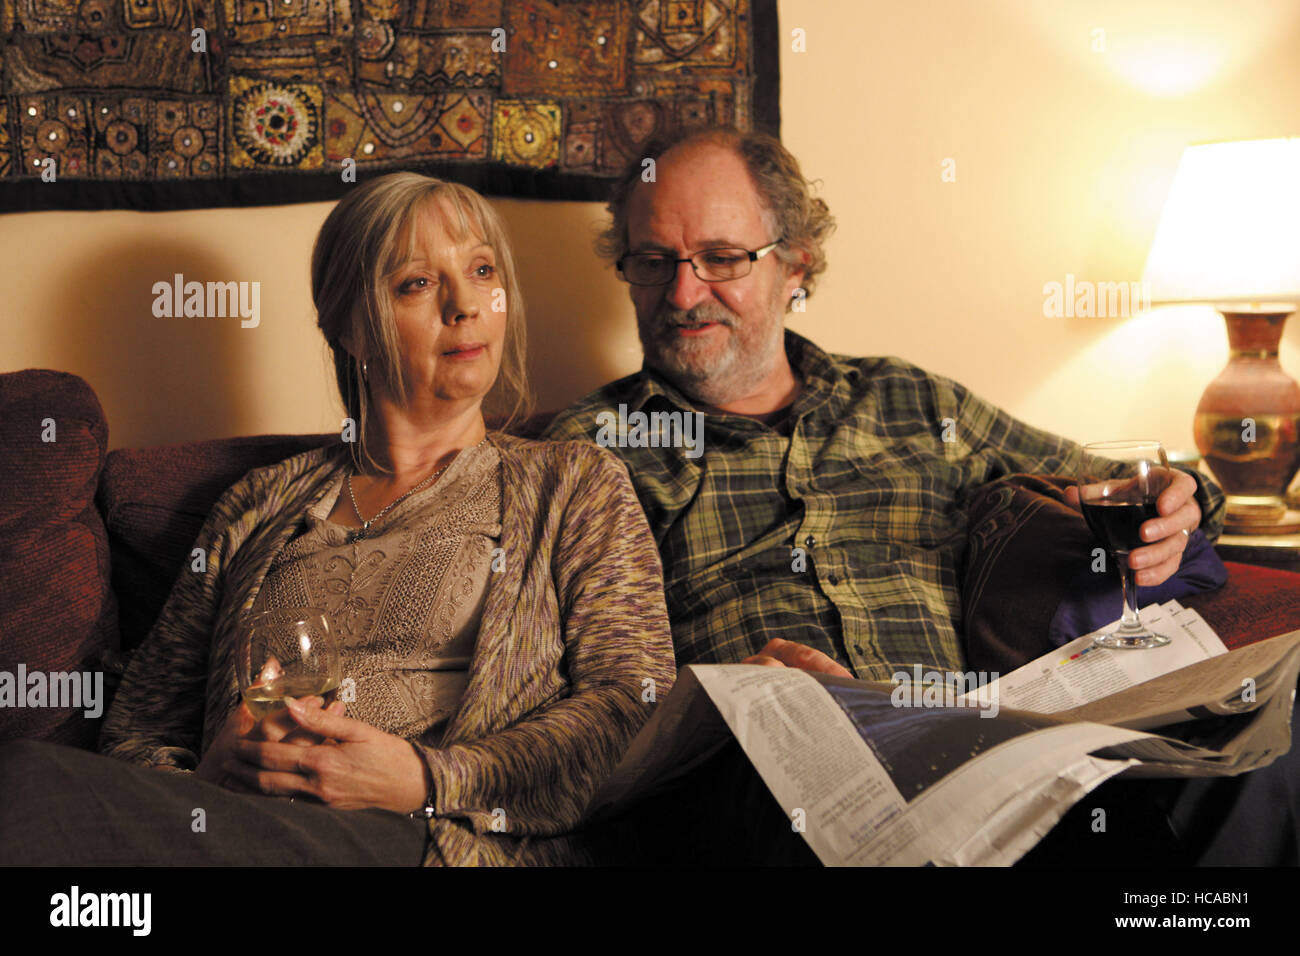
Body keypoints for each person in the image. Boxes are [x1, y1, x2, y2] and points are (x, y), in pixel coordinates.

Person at [543, 127, 1300, 866]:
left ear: (795, 267)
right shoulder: (587, 452)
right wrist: (710, 696)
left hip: (986, 753)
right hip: (768, 776)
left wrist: (1183, 497)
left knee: (1246, 764)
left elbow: (1119, 482)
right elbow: (557, 690)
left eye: (721, 258)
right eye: (652, 260)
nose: (682, 292)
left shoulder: (910, 399)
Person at [0, 172, 675, 867]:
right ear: (350, 323)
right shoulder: (255, 507)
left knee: (25, 788)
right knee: (31, 785)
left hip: (436, 846)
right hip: (244, 835)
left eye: (481, 271)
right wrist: (204, 785)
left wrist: (423, 779)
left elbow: (633, 709)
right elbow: (140, 725)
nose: (466, 305)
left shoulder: (573, 484)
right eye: (418, 282)